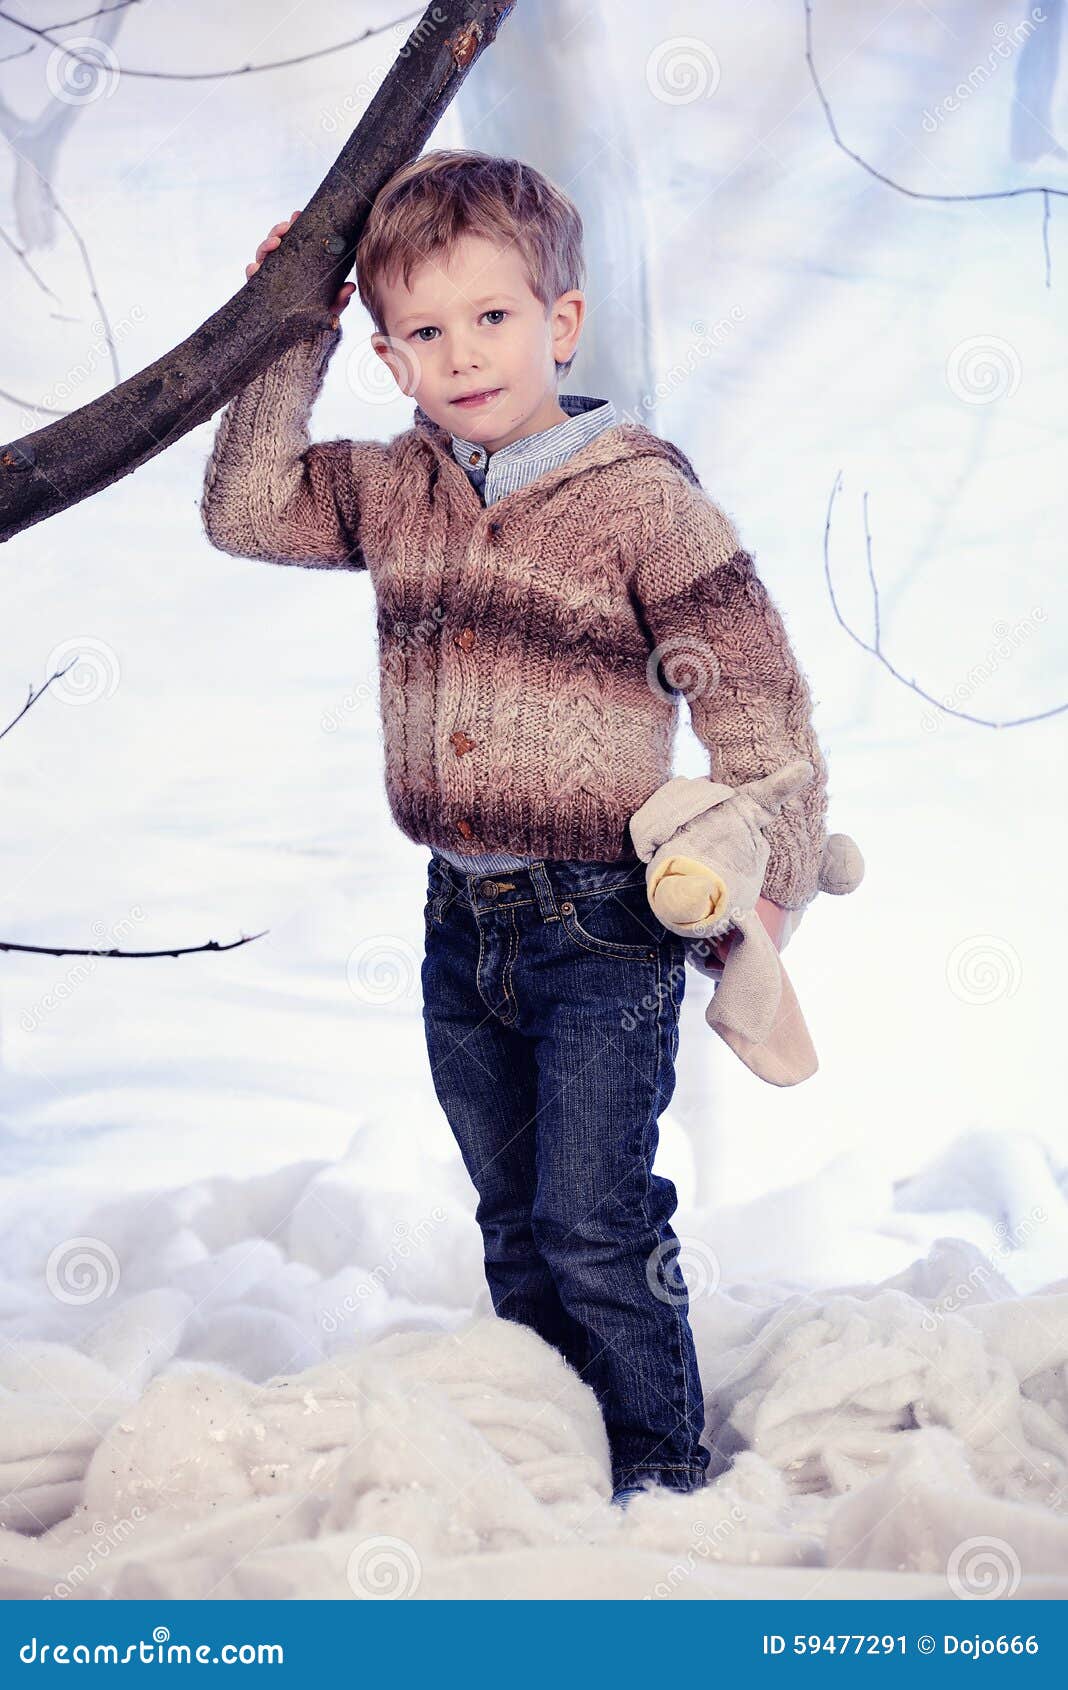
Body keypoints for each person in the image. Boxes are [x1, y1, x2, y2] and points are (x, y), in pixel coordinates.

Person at [200, 148, 830, 1505]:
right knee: (513, 1220)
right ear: (387, 351)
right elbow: (246, 508)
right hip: (459, 923)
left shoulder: (639, 500)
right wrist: (285, 327)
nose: (462, 354)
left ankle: (660, 1465)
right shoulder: (394, 488)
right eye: (423, 331)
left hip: (602, 919)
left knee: (592, 1217)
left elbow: (764, 711)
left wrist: (764, 888)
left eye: (492, 319)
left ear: (562, 321)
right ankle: (552, 1447)